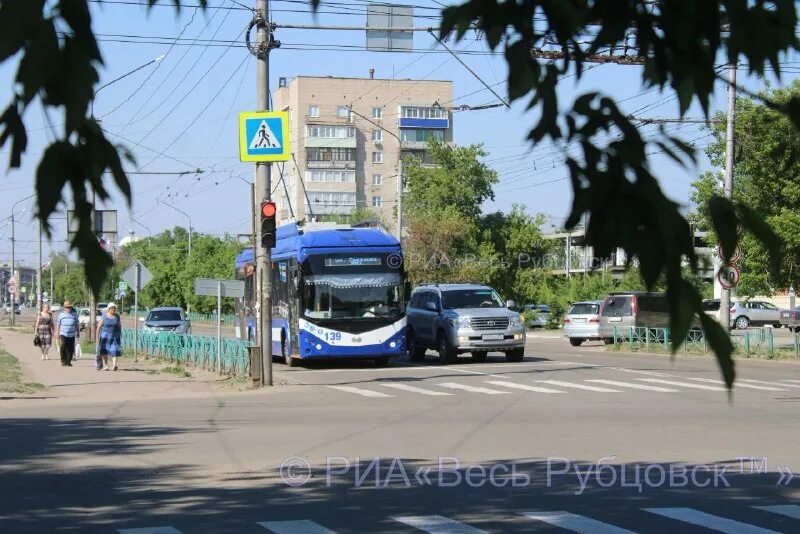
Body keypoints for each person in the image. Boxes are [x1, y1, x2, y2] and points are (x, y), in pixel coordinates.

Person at [96, 302, 122, 371]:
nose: (113, 309)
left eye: (114, 308)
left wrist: (120, 333)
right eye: (112, 308)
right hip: (105, 336)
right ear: (109, 309)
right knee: (105, 351)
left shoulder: (117, 316)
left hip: (115, 336)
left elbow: (119, 326)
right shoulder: (104, 316)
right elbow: (98, 327)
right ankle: (106, 365)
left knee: (115, 350)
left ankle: (114, 365)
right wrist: (97, 336)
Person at [55, 301, 79, 367]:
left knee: (70, 348)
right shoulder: (61, 315)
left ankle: (68, 361)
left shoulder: (74, 314)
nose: (69, 308)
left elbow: (77, 324)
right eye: (67, 307)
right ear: (65, 308)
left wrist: (78, 332)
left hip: (72, 334)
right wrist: (57, 332)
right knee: (63, 345)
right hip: (63, 333)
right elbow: (58, 324)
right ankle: (63, 360)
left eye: (70, 307)